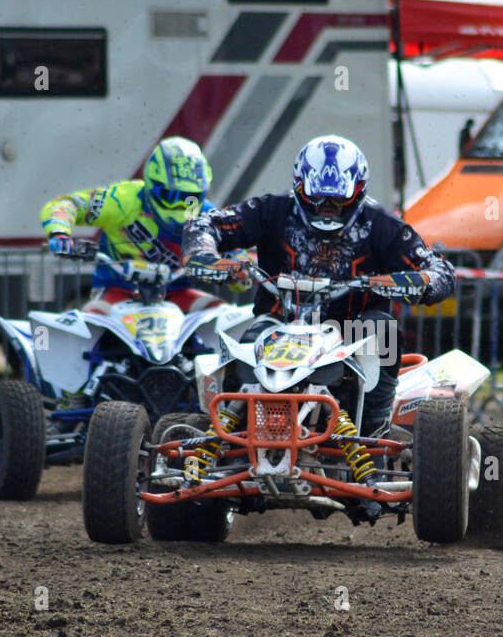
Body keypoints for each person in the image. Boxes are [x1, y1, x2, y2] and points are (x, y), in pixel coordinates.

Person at [183, 134, 456, 439]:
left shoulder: (381, 225)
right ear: (300, 187)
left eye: (338, 201)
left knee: (385, 332)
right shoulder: (274, 209)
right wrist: (203, 254)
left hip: (351, 333)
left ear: (358, 192)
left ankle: (372, 431)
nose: (328, 209)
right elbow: (207, 223)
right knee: (242, 347)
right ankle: (233, 437)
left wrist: (416, 283)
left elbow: (440, 270)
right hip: (278, 322)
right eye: (318, 200)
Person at [41, 135, 230, 314]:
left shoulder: (208, 216)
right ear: (151, 183)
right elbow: (69, 204)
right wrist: (59, 233)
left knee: (223, 314)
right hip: (117, 291)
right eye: (169, 196)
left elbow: (240, 254)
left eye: (189, 198)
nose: (179, 206)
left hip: (176, 294)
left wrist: (240, 270)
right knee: (90, 322)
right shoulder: (123, 199)